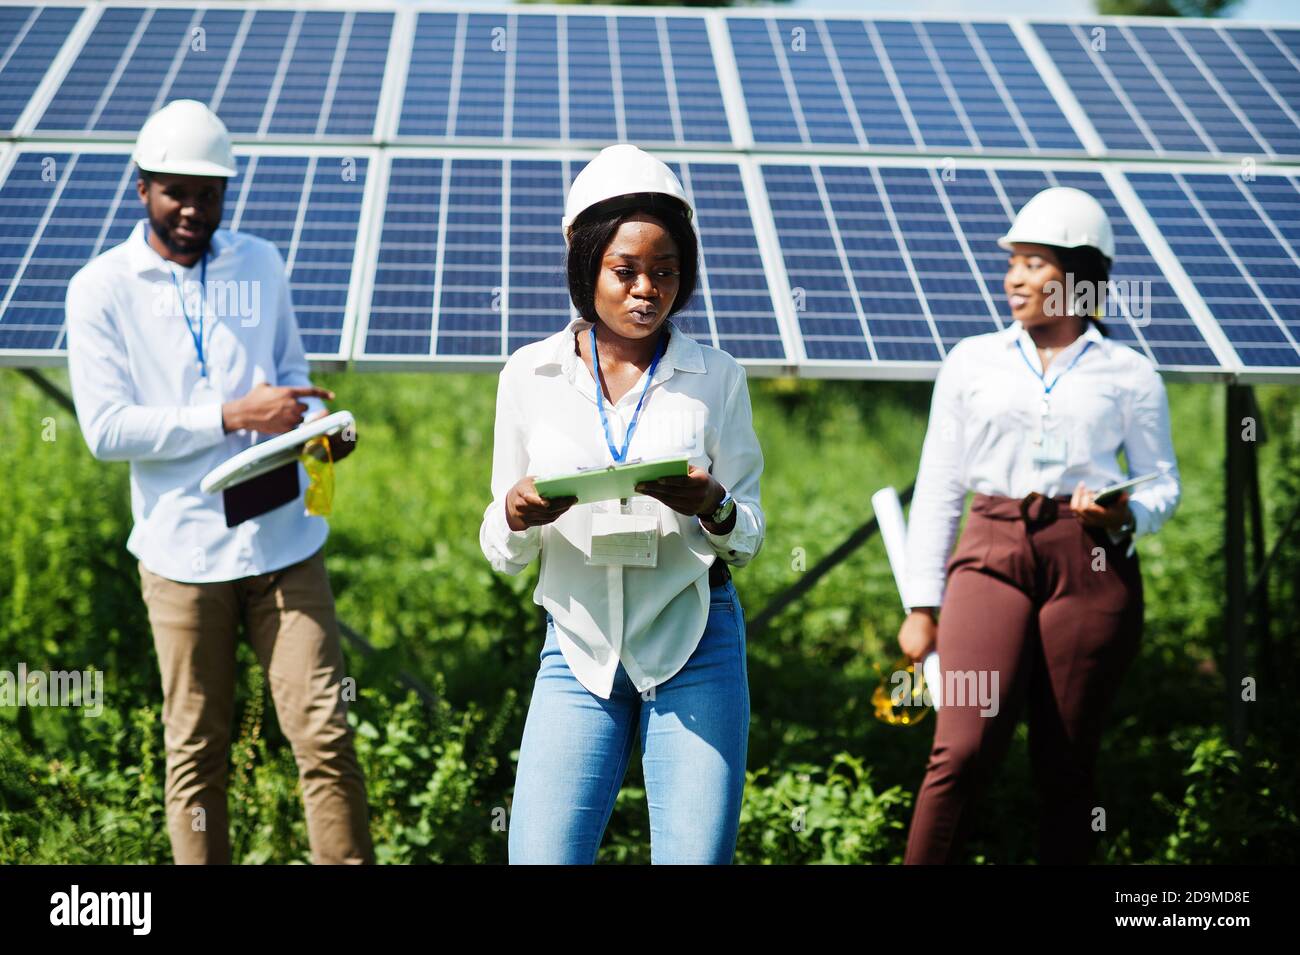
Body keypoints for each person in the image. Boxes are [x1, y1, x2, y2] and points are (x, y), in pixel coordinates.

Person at [64, 100, 373, 864]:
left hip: (285, 542)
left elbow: (292, 377)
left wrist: (315, 430)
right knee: (196, 753)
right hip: (182, 558)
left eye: (209, 192)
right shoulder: (101, 287)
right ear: (142, 189)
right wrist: (231, 414)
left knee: (325, 735)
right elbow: (106, 429)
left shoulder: (260, 262)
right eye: (176, 191)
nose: (194, 208)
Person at [480, 144, 765, 864]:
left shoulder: (717, 377)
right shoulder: (529, 375)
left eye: (666, 272)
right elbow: (499, 543)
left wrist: (714, 505)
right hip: (576, 645)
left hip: (695, 634)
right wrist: (515, 516)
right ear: (586, 265)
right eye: (625, 271)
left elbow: (750, 534)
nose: (647, 290)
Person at [896, 187, 1181, 865]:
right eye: (1014, 263)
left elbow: (1163, 479)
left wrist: (1126, 513)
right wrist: (921, 603)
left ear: (1079, 277)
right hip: (990, 548)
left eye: (1034, 263)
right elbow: (939, 485)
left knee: (1066, 759)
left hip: (1090, 560)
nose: (1015, 278)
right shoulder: (972, 361)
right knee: (961, 748)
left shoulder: (1130, 373)